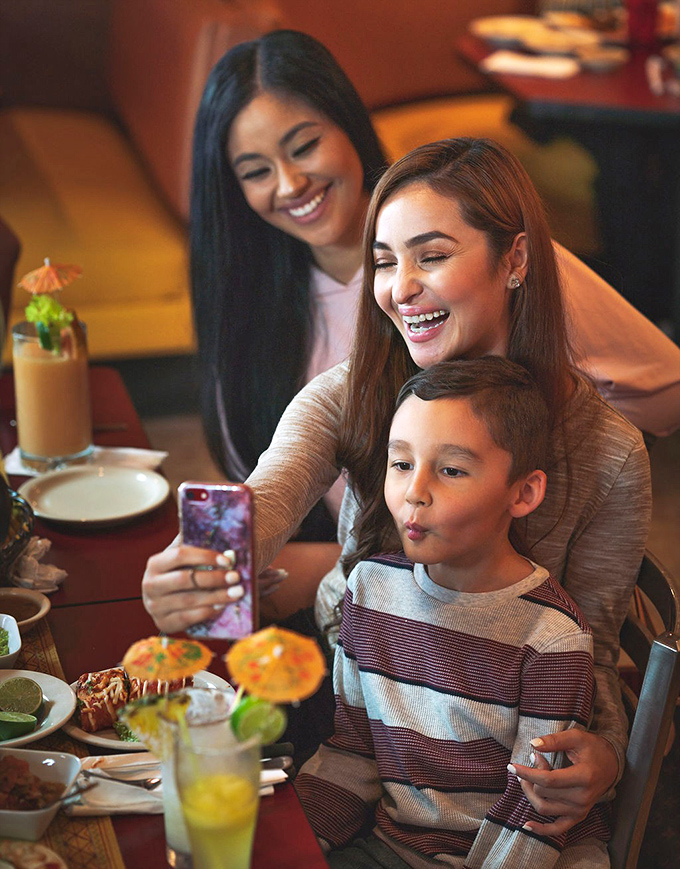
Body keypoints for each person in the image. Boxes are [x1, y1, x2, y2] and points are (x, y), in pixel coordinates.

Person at [143, 137, 652, 836]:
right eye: (384, 261)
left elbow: (591, 655)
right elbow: (269, 492)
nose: (398, 288)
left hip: (493, 755)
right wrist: (203, 562)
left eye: (431, 256)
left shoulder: (609, 454)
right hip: (350, 695)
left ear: (516, 260)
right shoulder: (359, 390)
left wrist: (607, 755)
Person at [189, 28, 679, 550]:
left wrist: (559, 468)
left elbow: (660, 395)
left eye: (305, 146)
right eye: (257, 170)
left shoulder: (500, 276)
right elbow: (271, 481)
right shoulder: (287, 329)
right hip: (349, 582)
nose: (289, 184)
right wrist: (214, 556)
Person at [296, 357, 611, 869]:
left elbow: (537, 806)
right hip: (396, 844)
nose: (415, 492)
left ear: (523, 492)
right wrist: (292, 844)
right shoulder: (370, 590)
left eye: (451, 470)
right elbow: (352, 751)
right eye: (401, 464)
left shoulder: (551, 636)